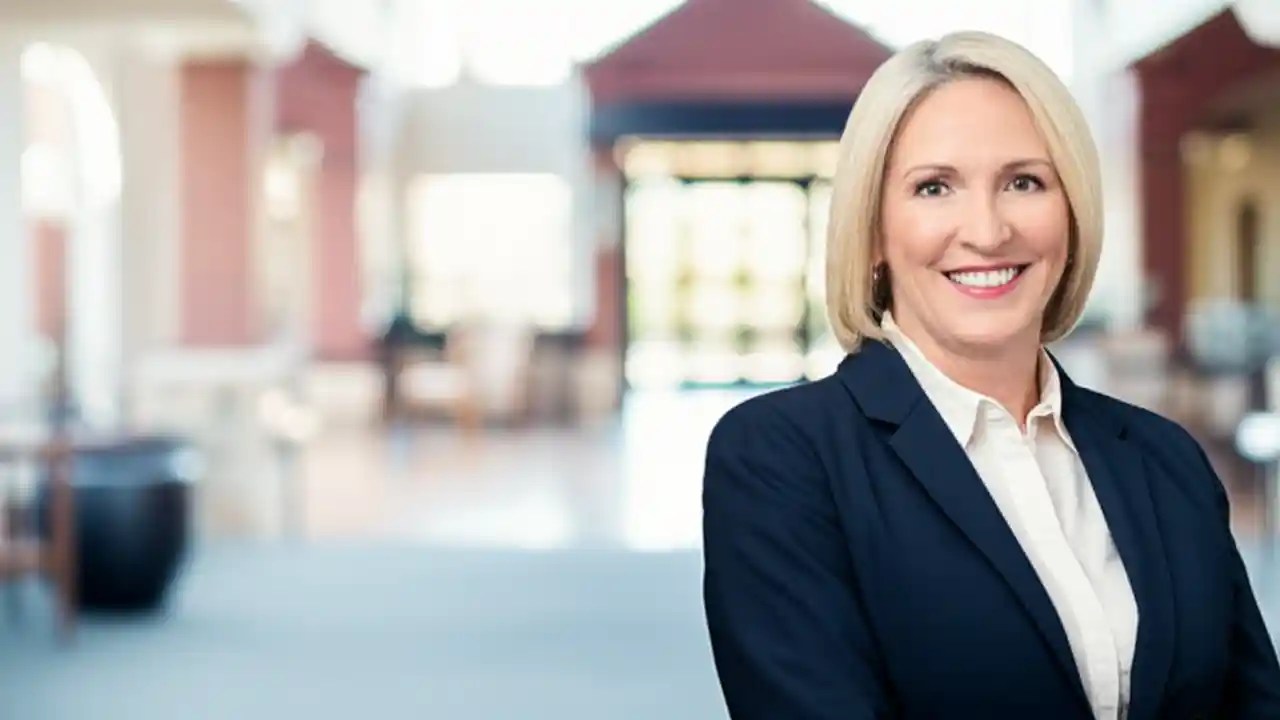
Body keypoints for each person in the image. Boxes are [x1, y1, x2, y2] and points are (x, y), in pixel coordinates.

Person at [701, 31, 1280, 720]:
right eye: (934, 187)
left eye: (1023, 182)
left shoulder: (1166, 460)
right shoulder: (782, 459)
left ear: (1072, 214)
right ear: (874, 230)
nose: (986, 230)